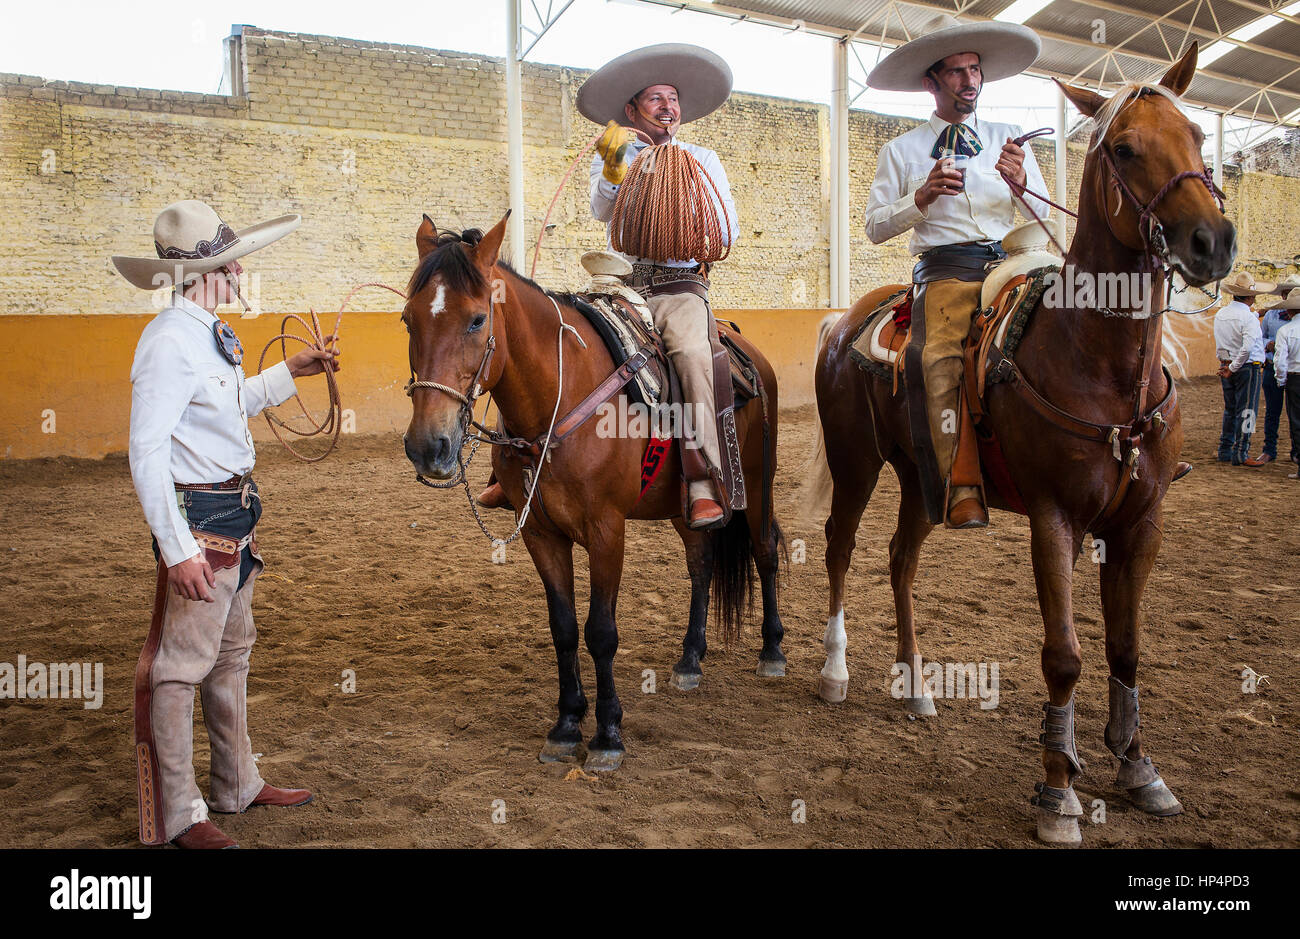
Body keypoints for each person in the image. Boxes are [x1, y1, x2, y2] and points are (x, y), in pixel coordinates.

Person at [112, 200, 339, 848]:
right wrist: (177, 546)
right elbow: (147, 450)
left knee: (231, 654)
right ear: (211, 268)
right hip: (202, 524)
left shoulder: (203, 332)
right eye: (232, 260)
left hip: (235, 514)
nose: (241, 269)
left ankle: (237, 782)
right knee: (178, 667)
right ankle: (180, 816)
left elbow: (224, 405)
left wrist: (288, 373)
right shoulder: (166, 342)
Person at [863, 13, 1047, 528]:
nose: (971, 81)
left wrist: (1021, 185)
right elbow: (875, 227)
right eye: (957, 72)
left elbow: (1046, 216)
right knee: (937, 355)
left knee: (1084, 308)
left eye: (975, 70)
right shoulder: (899, 150)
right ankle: (961, 482)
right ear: (931, 82)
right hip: (947, 270)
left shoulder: (1009, 137)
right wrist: (919, 198)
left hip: (1017, 259)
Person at [1214, 271, 1271, 466]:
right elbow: (1247, 347)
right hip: (1246, 367)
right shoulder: (1249, 319)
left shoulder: (1221, 314)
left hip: (1225, 363)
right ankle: (1241, 452)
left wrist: (1227, 365)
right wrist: (1235, 366)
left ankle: (1225, 449)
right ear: (1250, 297)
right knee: (1248, 411)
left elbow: (1222, 342)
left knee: (1230, 409)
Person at [1245, 275, 1300, 466]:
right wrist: (1268, 344)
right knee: (1272, 411)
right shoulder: (1271, 316)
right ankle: (1269, 449)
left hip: (1291, 369)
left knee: (1295, 414)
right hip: (1272, 367)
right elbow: (1259, 337)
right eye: (1286, 294)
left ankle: (1296, 450)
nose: (1287, 297)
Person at [1270, 290, 1300, 477]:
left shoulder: (1285, 331)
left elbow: (1280, 360)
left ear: (1289, 311)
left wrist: (1281, 380)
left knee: (1297, 421)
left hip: (1295, 378)